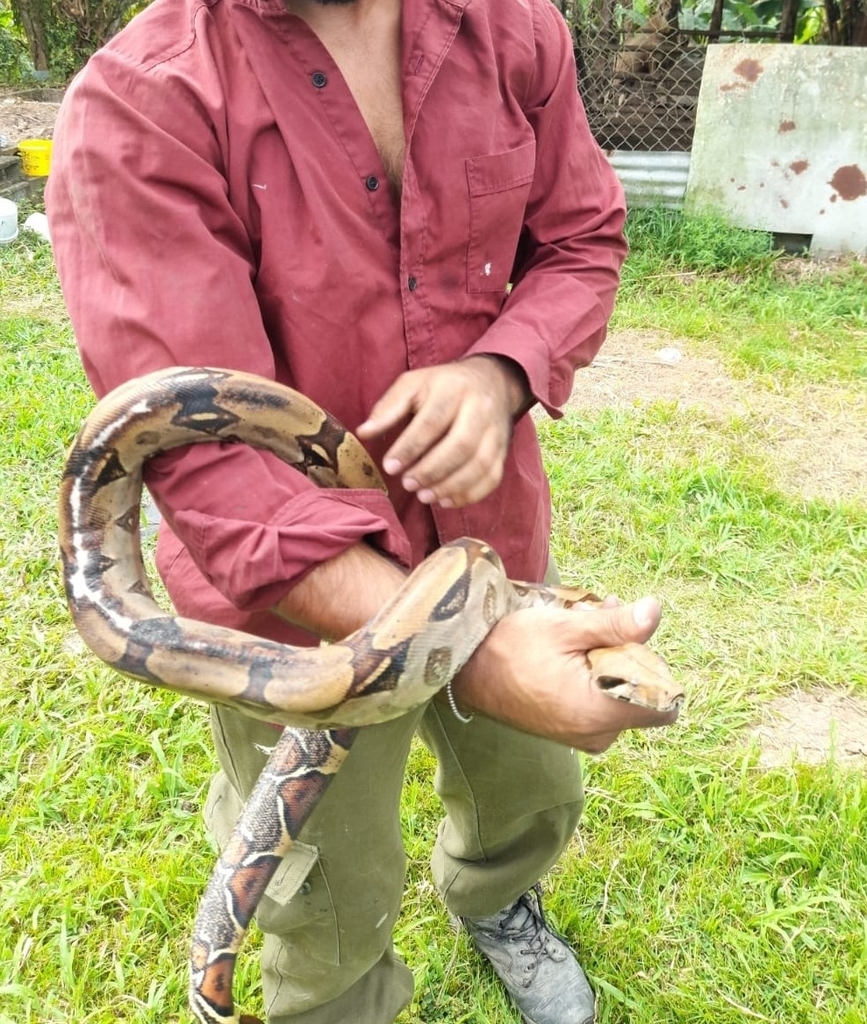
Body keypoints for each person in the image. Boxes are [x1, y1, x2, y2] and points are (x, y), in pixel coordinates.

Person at [47, 0, 678, 1021]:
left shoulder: (512, 29)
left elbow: (581, 238)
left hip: (492, 543)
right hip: (294, 617)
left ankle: (495, 898)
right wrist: (478, 653)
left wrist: (501, 372)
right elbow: (205, 458)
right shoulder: (143, 102)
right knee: (323, 894)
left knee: (533, 788)